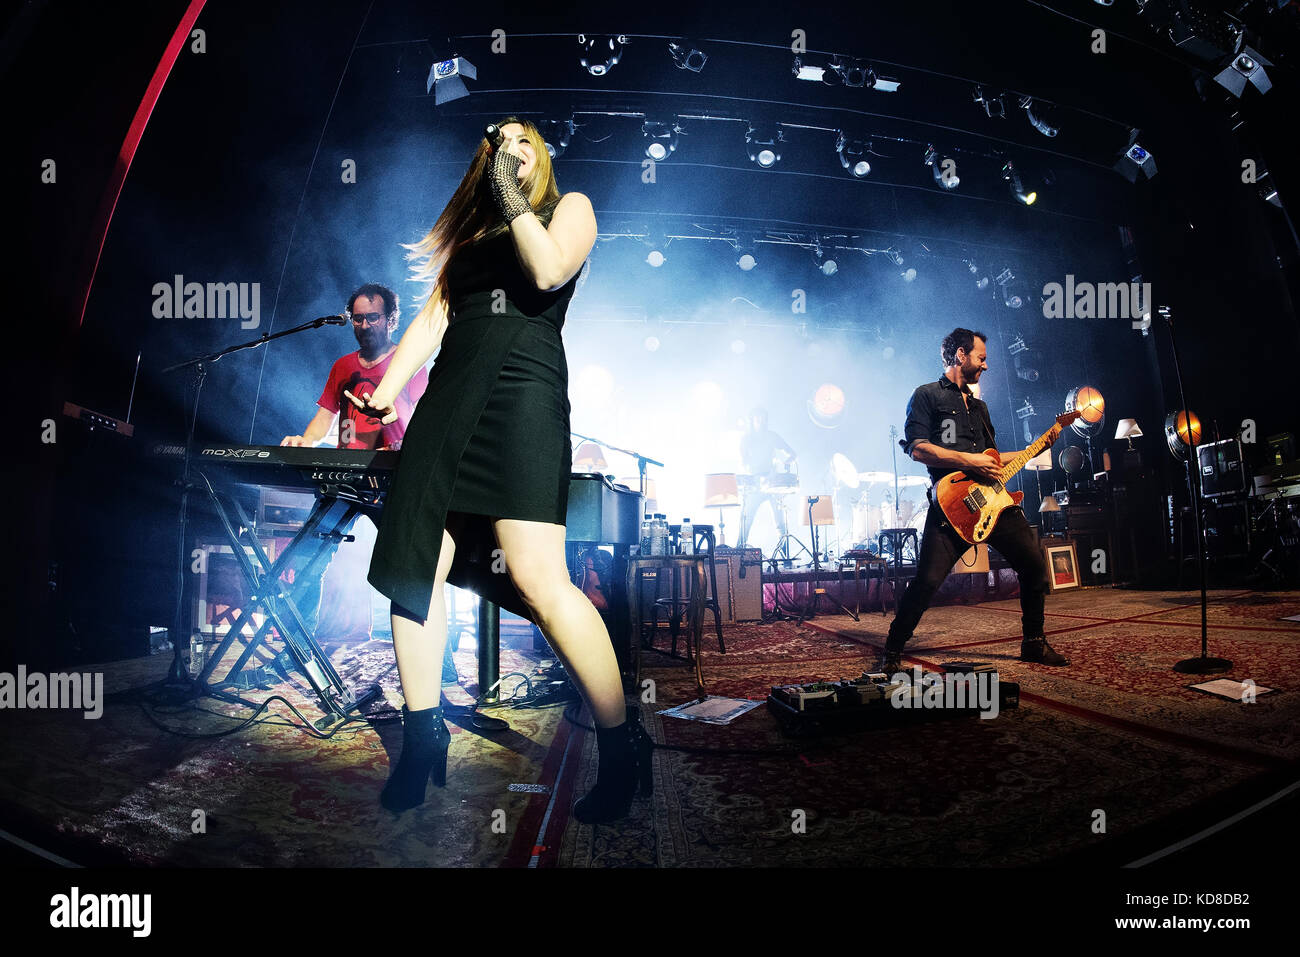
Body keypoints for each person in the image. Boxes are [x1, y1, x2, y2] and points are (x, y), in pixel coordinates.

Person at [347, 117, 650, 819]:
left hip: (521, 386)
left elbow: (546, 270)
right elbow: (433, 318)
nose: (509, 149)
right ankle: (425, 738)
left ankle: (621, 743)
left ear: (537, 159)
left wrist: (507, 193)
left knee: (543, 582)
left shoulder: (569, 209)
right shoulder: (470, 237)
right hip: (450, 394)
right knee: (413, 560)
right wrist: (384, 393)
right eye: (498, 144)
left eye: (523, 143)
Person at [880, 327, 1069, 674]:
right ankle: (892, 648)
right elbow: (918, 448)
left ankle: (1033, 643)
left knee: (1033, 563)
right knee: (927, 581)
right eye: (981, 358)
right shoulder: (926, 395)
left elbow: (992, 459)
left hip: (993, 501)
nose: (985, 365)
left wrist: (1040, 445)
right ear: (960, 355)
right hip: (952, 504)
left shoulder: (979, 407)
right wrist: (969, 461)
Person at [737, 408, 798, 549]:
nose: (761, 421)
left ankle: (785, 554)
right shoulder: (746, 438)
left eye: (764, 419)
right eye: (758, 418)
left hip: (772, 483)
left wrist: (786, 462)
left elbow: (792, 453)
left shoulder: (771, 436)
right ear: (752, 420)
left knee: (780, 522)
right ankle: (738, 553)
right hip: (754, 484)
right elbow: (743, 462)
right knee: (746, 520)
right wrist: (754, 474)